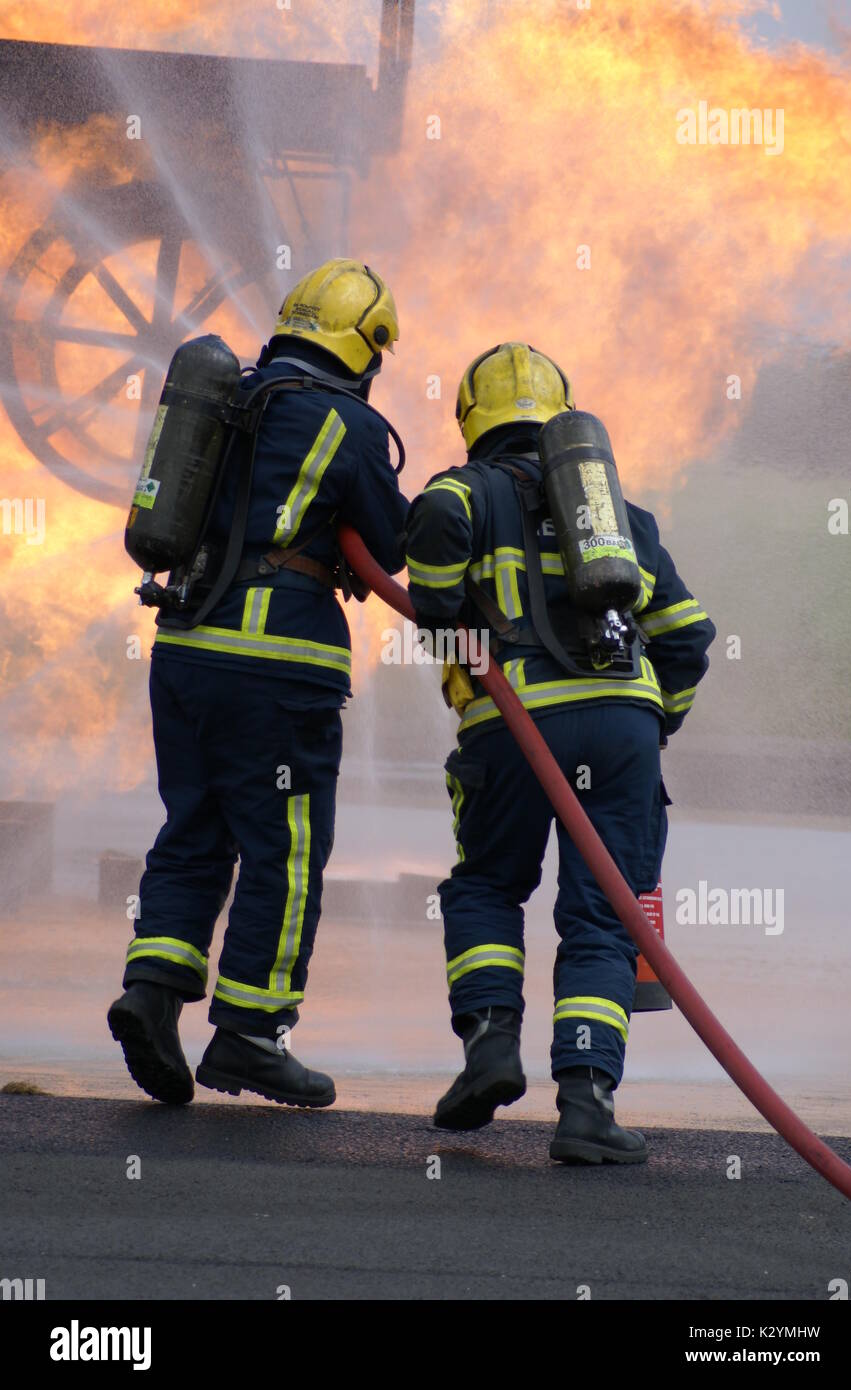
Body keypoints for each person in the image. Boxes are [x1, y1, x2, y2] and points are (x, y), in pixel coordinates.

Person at [404, 342, 715, 1163]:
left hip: (511, 727)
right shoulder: (617, 521)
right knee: (602, 915)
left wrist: (439, 602)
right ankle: (586, 1104)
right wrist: (654, 729)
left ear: (472, 418)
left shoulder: (461, 490)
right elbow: (687, 641)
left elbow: (432, 528)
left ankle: (490, 1046)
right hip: (619, 731)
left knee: (486, 888)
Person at [109, 258, 408, 1107]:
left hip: (185, 649)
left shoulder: (229, 398)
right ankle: (250, 1031)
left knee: (194, 825)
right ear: (365, 347)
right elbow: (392, 550)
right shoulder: (348, 426)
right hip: (277, 670)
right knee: (286, 848)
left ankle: (152, 993)